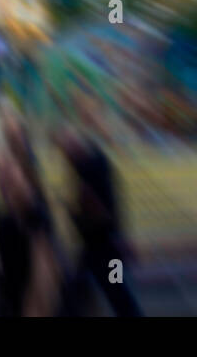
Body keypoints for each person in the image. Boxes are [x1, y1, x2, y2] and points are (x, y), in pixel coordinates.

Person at [56, 129, 142, 316]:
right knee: (113, 295)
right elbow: (112, 206)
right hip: (102, 246)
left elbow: (98, 212)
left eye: (65, 148)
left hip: (104, 246)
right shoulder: (97, 162)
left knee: (116, 295)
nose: (64, 154)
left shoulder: (88, 168)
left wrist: (72, 212)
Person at [0, 154, 62, 316]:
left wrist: (34, 309)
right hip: (10, 301)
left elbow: (43, 272)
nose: (3, 180)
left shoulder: (36, 214)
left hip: (32, 305)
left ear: (24, 178)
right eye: (0, 175)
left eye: (10, 175)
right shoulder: (3, 218)